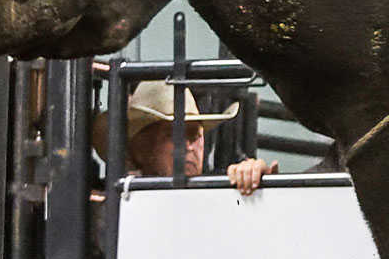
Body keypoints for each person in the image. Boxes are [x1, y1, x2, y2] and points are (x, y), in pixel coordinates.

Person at [96, 80, 277, 193]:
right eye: (175, 135)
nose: (190, 147)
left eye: (196, 136)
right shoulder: (121, 200)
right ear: (140, 149)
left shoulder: (222, 191)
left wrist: (255, 177)